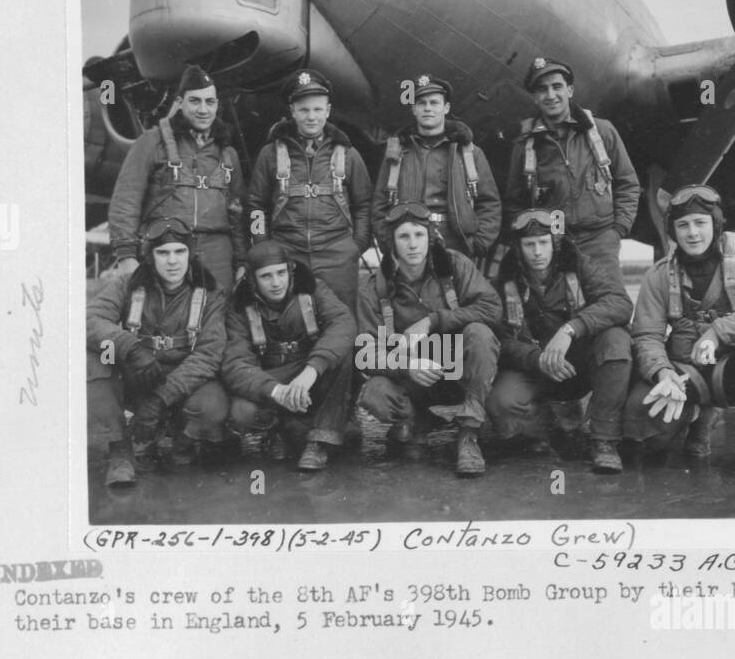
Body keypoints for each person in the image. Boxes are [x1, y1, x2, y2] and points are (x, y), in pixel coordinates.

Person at [624, 184, 735, 476]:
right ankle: (699, 417)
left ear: (716, 224)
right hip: (687, 371)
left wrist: (717, 331)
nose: (693, 233)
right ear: (673, 231)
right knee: (644, 431)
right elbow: (647, 335)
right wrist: (662, 372)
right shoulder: (660, 274)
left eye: (701, 223)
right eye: (683, 225)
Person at [357, 203, 502, 476]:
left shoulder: (455, 265)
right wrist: (407, 366)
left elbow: (492, 309)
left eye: (419, 235)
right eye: (404, 237)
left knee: (480, 334)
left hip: (460, 370)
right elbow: (366, 353)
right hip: (414, 378)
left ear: (431, 237)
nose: (413, 244)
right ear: (391, 244)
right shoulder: (373, 287)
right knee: (375, 394)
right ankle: (418, 419)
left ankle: (469, 434)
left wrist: (434, 320)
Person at [486, 210, 634, 472]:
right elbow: (501, 340)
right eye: (529, 245)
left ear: (554, 244)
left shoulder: (579, 264)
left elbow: (620, 303)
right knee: (502, 403)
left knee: (616, 340)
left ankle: (604, 440)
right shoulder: (503, 280)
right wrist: (536, 359)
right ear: (519, 248)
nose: (537, 252)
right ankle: (550, 428)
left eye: (543, 243)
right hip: (536, 368)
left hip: (579, 363)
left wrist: (571, 329)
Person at [86, 234, 229, 487]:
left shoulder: (211, 294)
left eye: (180, 252)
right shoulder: (127, 284)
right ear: (150, 257)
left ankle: (182, 442)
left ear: (191, 254)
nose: (172, 261)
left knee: (212, 405)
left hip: (182, 381)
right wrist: (129, 347)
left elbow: (209, 354)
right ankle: (120, 451)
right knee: (95, 359)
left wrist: (160, 398)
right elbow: (90, 321)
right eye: (163, 253)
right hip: (138, 374)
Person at [106, 65, 246, 290]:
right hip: (168, 251)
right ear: (180, 102)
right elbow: (125, 200)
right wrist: (126, 255)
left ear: (217, 105)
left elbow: (238, 213)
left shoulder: (229, 155)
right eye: (195, 101)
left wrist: (241, 261)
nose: (203, 109)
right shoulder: (151, 143)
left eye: (210, 102)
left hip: (218, 255)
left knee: (218, 320)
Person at [222, 241, 356, 472]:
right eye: (266, 277)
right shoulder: (239, 306)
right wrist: (276, 391)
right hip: (272, 380)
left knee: (345, 354)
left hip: (309, 375)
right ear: (252, 280)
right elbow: (235, 363)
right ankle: (278, 429)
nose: (276, 283)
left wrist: (312, 369)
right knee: (241, 411)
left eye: (281, 273)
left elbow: (343, 323)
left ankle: (320, 441)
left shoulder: (313, 289)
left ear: (290, 270)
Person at [247, 68, 373, 313]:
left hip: (337, 255)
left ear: (328, 110)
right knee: (292, 320)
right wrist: (263, 245)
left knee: (342, 318)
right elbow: (256, 204)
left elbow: (363, 204)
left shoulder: (348, 155)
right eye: (304, 110)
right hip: (287, 254)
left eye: (317, 109)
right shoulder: (270, 154)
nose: (311, 117)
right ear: (292, 111)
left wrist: (356, 246)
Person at [504, 57, 641, 280]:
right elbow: (514, 202)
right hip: (554, 245)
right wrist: (533, 239)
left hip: (600, 241)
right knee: (561, 312)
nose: (550, 95)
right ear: (535, 98)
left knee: (612, 308)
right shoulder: (524, 145)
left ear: (570, 90)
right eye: (542, 90)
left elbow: (628, 183)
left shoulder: (603, 131)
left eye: (557, 86)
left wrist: (617, 231)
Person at [371, 73, 501, 260]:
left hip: (456, 245)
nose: (428, 108)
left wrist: (477, 245)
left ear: (446, 107)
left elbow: (490, 204)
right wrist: (390, 244)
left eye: (434, 103)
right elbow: (380, 204)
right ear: (414, 109)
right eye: (421, 103)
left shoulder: (470, 154)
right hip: (410, 247)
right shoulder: (396, 154)